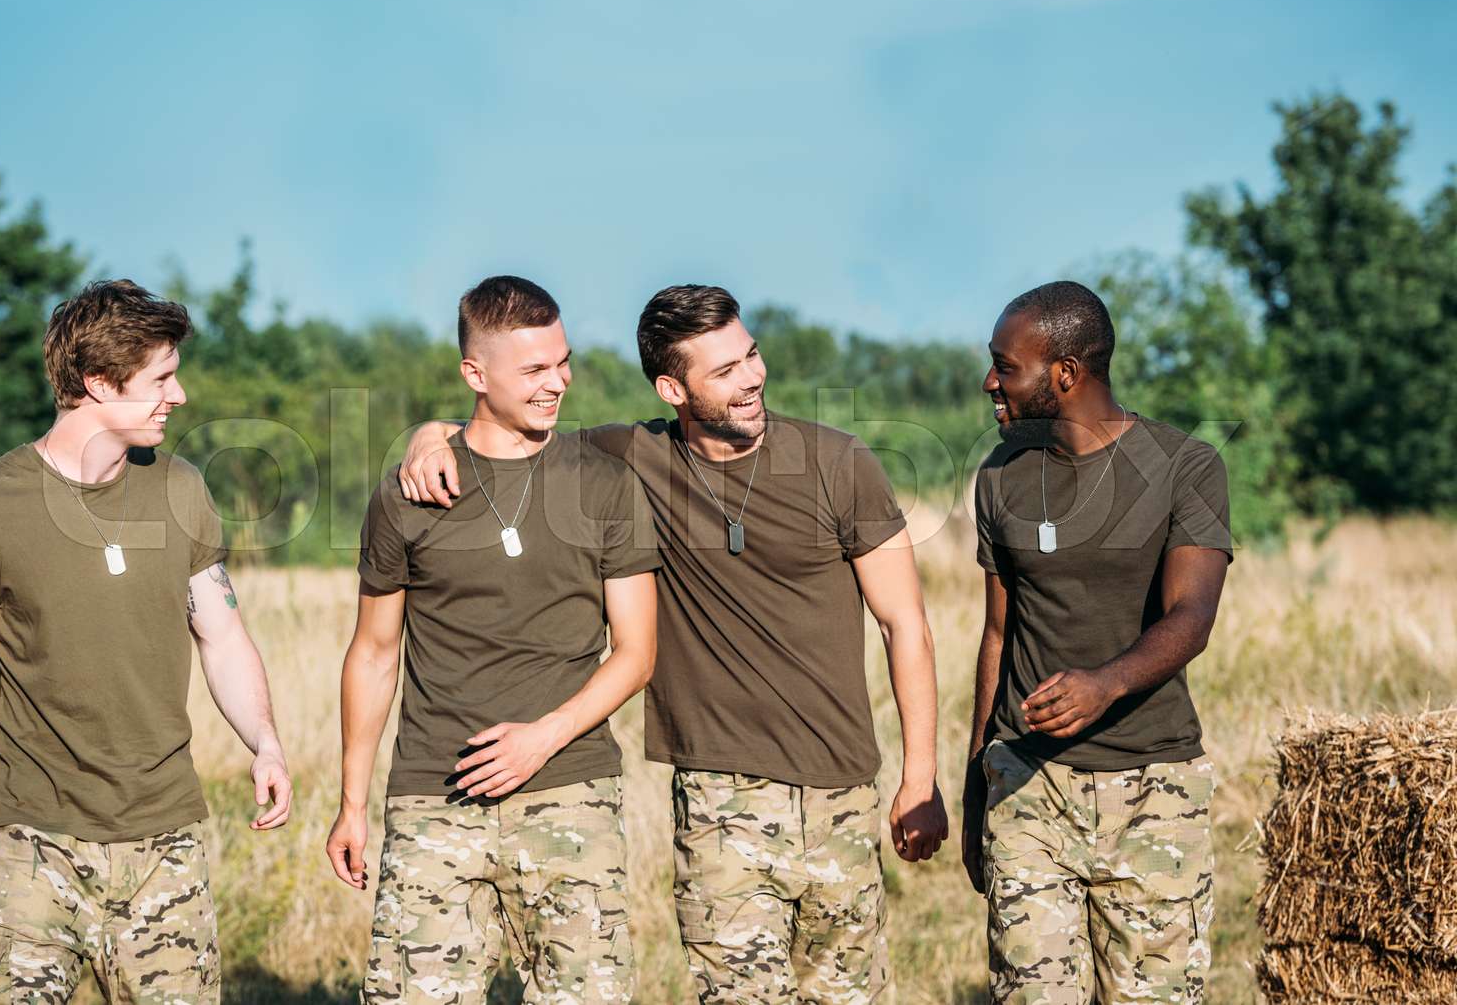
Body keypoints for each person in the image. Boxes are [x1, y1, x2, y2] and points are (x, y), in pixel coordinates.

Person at [400, 284, 949, 1004]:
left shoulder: (840, 463)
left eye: (750, 356)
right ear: (672, 388)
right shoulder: (630, 459)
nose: (751, 377)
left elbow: (904, 623)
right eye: (722, 371)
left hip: (841, 791)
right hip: (719, 799)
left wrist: (919, 777)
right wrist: (429, 433)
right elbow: (505, 429)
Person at [0, 279, 292, 1002]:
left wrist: (265, 741)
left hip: (165, 848)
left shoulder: (182, 490)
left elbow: (222, 634)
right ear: (95, 383)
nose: (178, 397)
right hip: (33, 849)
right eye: (161, 379)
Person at [326, 276, 660, 1004]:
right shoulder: (407, 494)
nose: (558, 383)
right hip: (431, 800)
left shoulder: (605, 484)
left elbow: (636, 653)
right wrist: (353, 802)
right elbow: (375, 652)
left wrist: (542, 738)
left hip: (570, 792)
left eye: (563, 362)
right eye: (535, 370)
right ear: (475, 375)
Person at [964, 281, 1232, 1004]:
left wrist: (1105, 683)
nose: (990, 381)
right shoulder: (999, 477)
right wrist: (973, 786)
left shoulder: (1186, 466)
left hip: (1154, 789)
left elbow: (1191, 616)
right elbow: (998, 633)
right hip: (1026, 786)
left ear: (1066, 374)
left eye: (1004, 365)